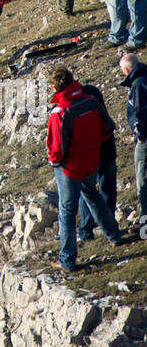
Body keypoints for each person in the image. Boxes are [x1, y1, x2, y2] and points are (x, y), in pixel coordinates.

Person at [46, 67, 121, 270]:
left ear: (54, 86)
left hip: (69, 169)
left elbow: (56, 149)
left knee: (67, 212)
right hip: (91, 162)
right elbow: (107, 128)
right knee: (92, 194)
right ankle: (114, 234)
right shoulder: (90, 101)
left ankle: (67, 259)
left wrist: (56, 163)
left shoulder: (60, 112)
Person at [77, 84, 118, 244]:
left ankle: (86, 230)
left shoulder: (72, 103)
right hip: (107, 148)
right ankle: (110, 224)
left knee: (87, 191)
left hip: (89, 154)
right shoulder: (93, 92)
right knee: (108, 188)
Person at [119, 50, 147, 240]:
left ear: (127, 70)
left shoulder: (137, 87)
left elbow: (138, 114)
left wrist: (140, 137)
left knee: (143, 182)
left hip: (145, 140)